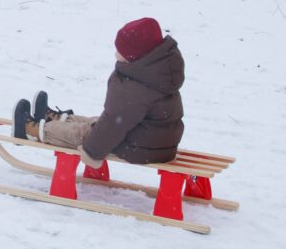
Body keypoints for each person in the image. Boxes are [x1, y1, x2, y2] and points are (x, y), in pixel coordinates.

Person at [12, 17, 184, 167]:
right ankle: (58, 119)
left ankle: (30, 130)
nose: (116, 54)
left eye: (122, 51)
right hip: (157, 142)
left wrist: (92, 152)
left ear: (136, 57)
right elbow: (116, 119)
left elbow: (113, 125)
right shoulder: (159, 71)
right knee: (97, 122)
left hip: (139, 148)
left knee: (84, 134)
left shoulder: (134, 87)